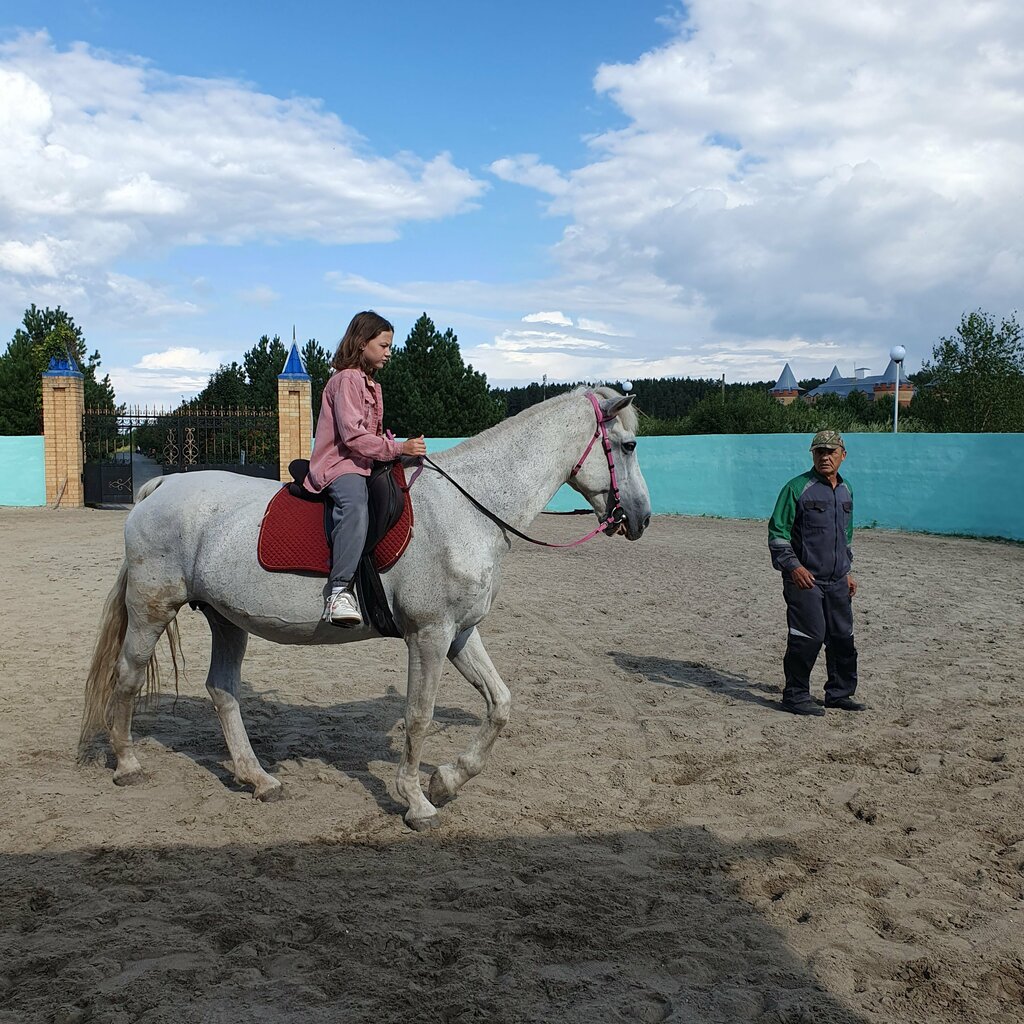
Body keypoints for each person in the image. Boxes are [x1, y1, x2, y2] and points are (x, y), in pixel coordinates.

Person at [304, 311, 427, 626]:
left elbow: (372, 437)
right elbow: (354, 437)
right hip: (340, 465)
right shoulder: (346, 380)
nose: (389, 352)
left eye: (390, 346)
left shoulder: (371, 384)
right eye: (383, 345)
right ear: (362, 343)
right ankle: (339, 591)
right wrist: (398, 449)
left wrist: (400, 452)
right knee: (355, 504)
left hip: (363, 462)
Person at [767, 430, 863, 716]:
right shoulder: (796, 488)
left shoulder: (846, 490)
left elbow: (845, 536)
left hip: (837, 579)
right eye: (819, 452)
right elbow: (778, 534)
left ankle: (839, 693)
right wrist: (793, 567)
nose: (825, 457)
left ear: (843, 455)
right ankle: (795, 696)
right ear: (812, 455)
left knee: (843, 637)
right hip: (805, 580)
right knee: (807, 637)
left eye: (831, 452)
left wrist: (847, 571)